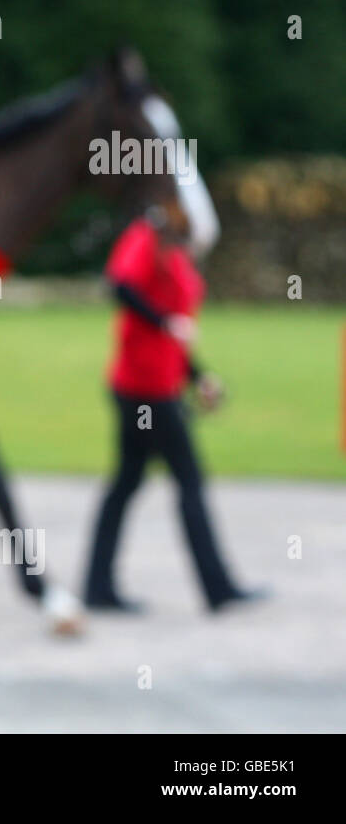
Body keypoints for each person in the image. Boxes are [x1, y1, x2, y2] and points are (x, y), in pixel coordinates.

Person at [83, 205, 265, 613]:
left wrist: (197, 376)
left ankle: (97, 586)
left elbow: (175, 335)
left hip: (161, 385)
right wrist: (164, 322)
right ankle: (217, 588)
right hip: (143, 392)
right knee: (188, 480)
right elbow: (121, 288)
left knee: (128, 483)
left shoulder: (176, 257)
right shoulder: (144, 238)